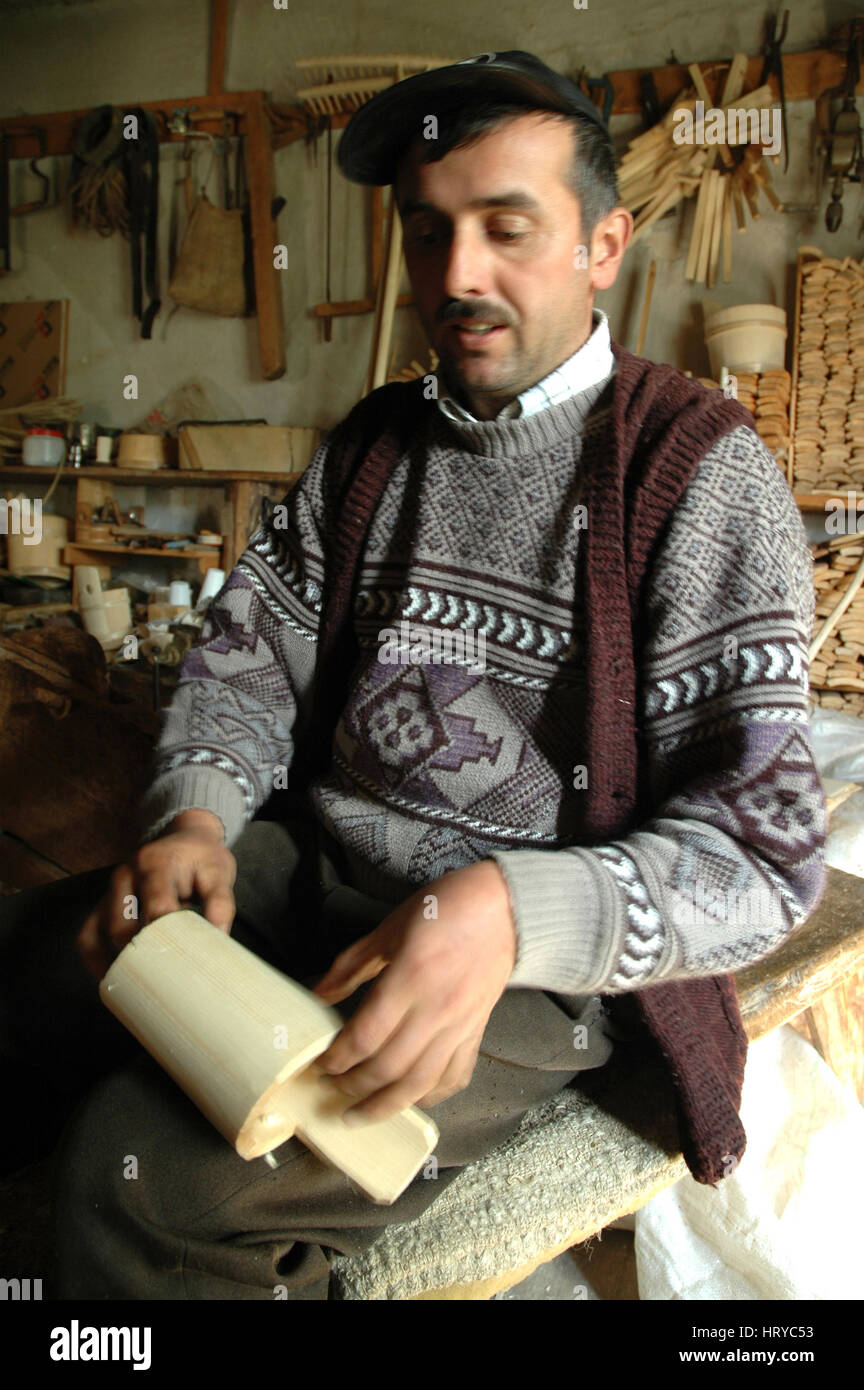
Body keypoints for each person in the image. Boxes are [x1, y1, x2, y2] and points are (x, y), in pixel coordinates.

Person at [0, 52, 825, 1300]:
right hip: (319, 874)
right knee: (27, 980)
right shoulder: (376, 445)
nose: (458, 277)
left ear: (604, 244)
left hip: (542, 975)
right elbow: (244, 658)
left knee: (149, 1184)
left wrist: (505, 908)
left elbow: (761, 864)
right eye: (429, 232)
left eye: (509, 228)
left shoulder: (696, 475)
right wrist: (199, 814)